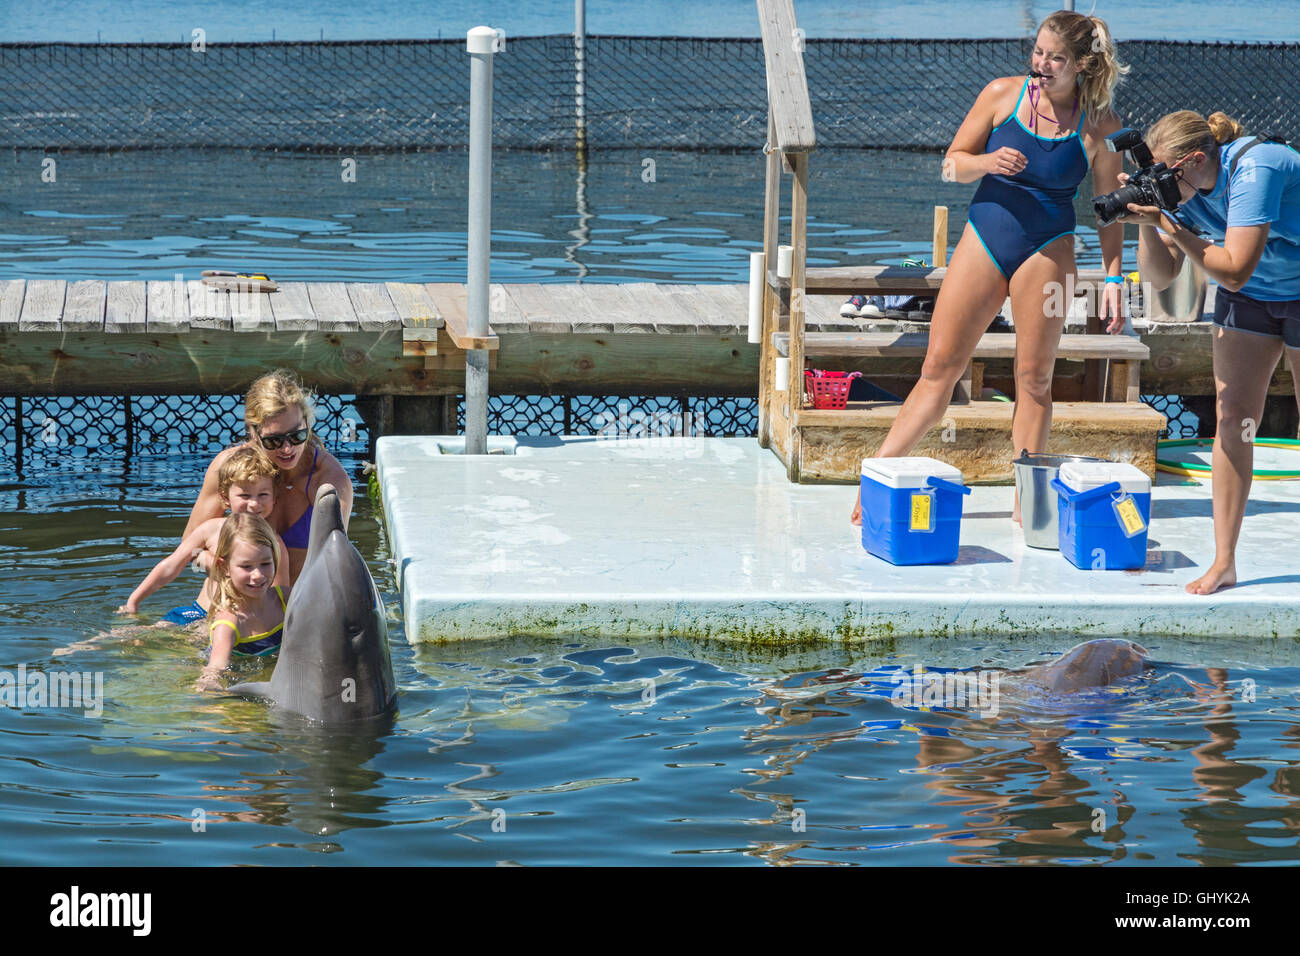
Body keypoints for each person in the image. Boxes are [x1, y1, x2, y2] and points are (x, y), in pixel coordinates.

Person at [851, 10, 1128, 526]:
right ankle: (878, 477)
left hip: (1049, 246)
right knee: (939, 368)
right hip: (985, 236)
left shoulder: (1101, 125)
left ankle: (1028, 501)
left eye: (1055, 57)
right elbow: (952, 163)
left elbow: (1109, 207)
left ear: (1082, 65)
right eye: (1038, 51)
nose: (1041, 64)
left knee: (1035, 378)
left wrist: (1114, 275)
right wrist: (985, 163)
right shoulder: (1003, 94)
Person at [1121, 110, 1300, 595]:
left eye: (1165, 175)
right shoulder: (1181, 189)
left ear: (1196, 160)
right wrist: (1146, 220)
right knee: (1233, 421)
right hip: (1252, 298)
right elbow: (1160, 278)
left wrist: (1173, 226)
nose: (1161, 185)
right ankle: (1224, 562)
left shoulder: (1256, 168)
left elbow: (1235, 268)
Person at [185, 369, 353, 583]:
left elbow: (334, 563)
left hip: (297, 608)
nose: (287, 448)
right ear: (253, 432)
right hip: (234, 605)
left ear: (308, 425)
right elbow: (190, 554)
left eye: (298, 436)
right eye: (274, 440)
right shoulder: (228, 469)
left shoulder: (328, 480)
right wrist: (229, 570)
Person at [118, 447, 290, 623]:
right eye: (245, 495)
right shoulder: (211, 530)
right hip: (199, 612)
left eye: (263, 495)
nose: (254, 504)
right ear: (225, 498)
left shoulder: (274, 543)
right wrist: (134, 600)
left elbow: (279, 597)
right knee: (141, 634)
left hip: (238, 623)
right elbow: (172, 566)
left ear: (274, 497)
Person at [198, 513, 289, 688]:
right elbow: (215, 668)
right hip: (242, 680)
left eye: (265, 563)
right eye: (246, 567)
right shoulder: (229, 624)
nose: (258, 575)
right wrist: (209, 688)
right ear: (224, 567)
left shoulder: (286, 599)